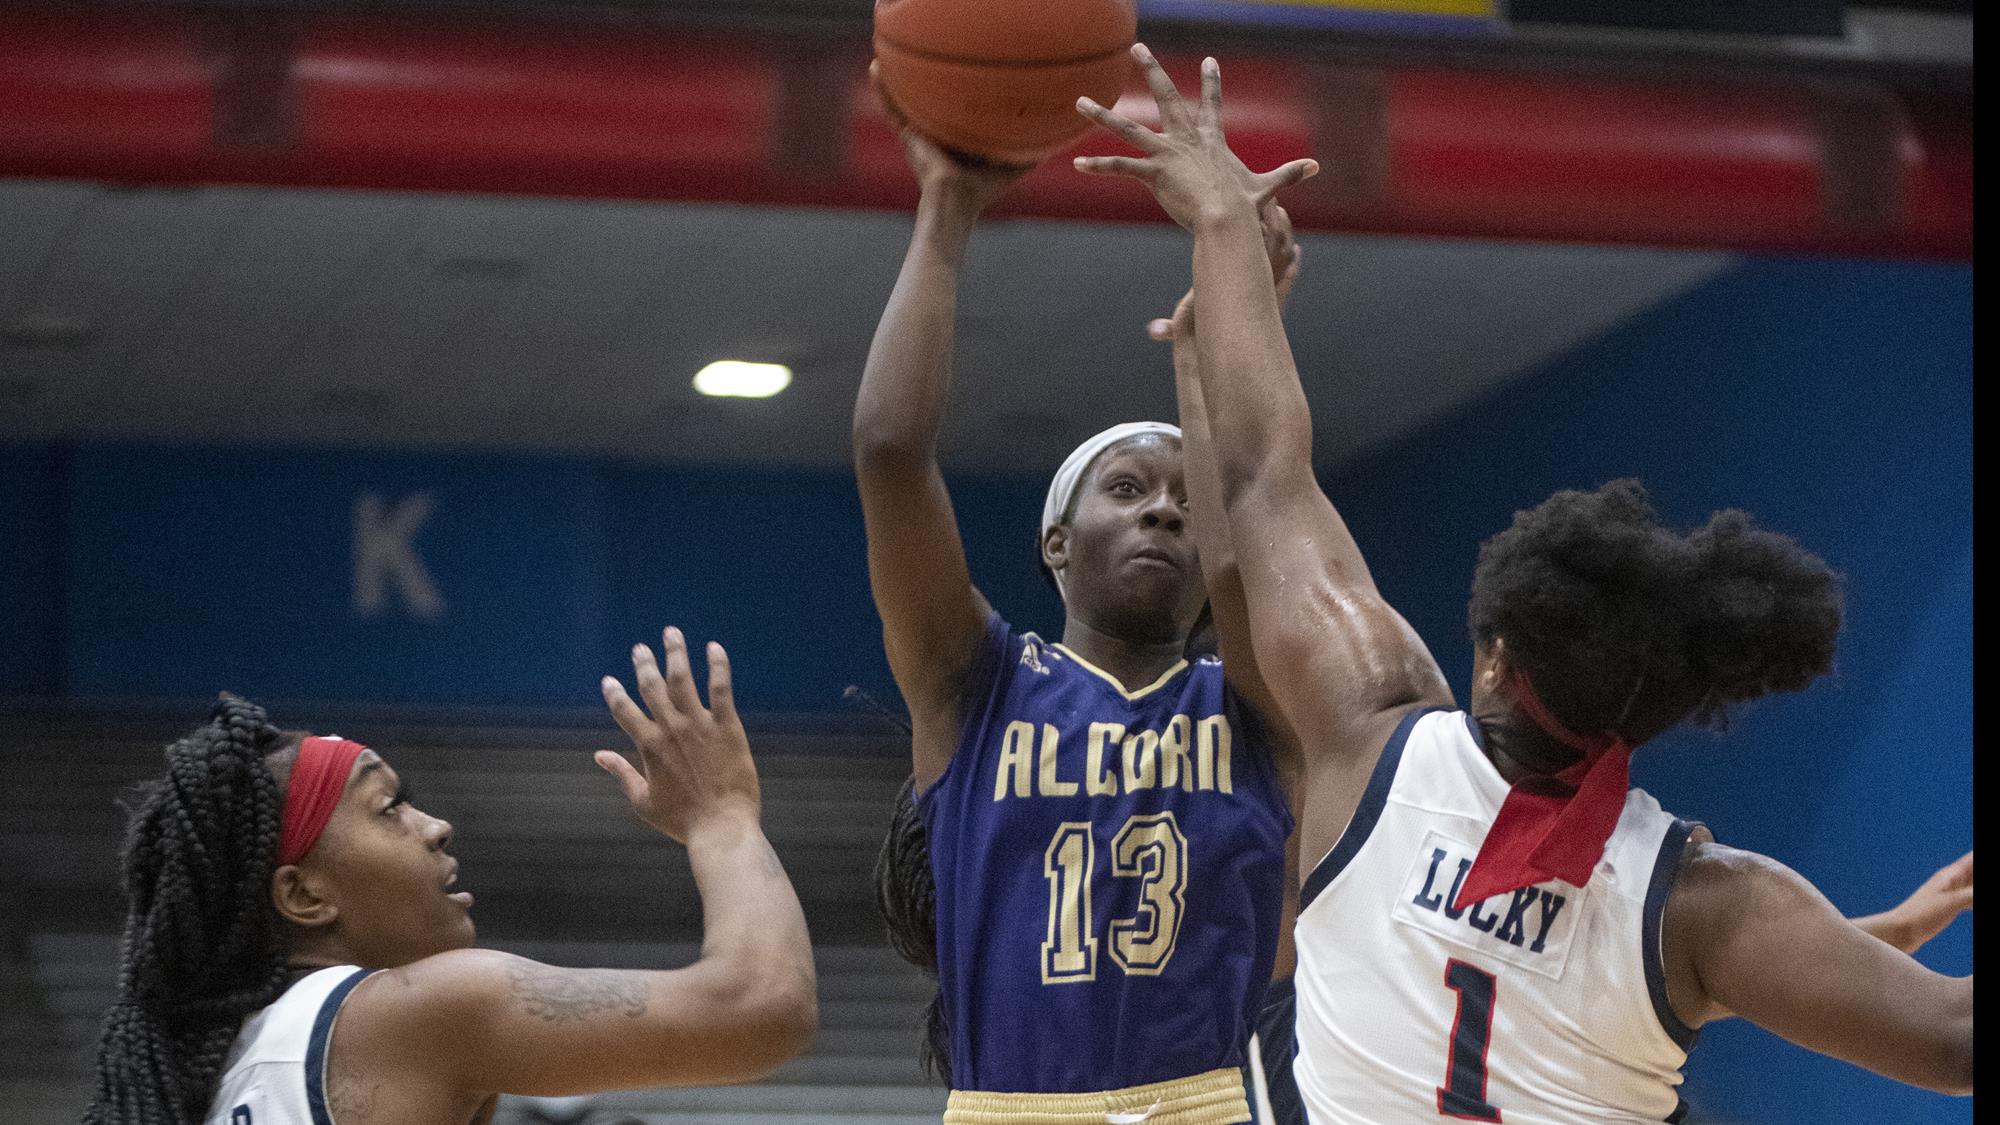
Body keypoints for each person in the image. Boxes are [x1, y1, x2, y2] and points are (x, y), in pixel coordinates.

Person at [1076, 43, 1974, 1121]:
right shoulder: (1707, 905)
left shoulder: (1367, 738)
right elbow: (1950, 1042)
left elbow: (1266, 475)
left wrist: (1222, 228)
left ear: (1495, 657)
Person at [853, 83, 1298, 1121]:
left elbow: (1249, 531)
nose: (1163, 518)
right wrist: (944, 214)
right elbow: (887, 453)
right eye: (1129, 491)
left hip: (1211, 1103)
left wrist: (1214, 332)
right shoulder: (979, 684)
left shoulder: (1252, 705)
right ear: (1055, 542)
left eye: (1181, 507)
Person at [83, 628, 816, 1125]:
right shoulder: (409, 1014)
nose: (434, 824)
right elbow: (760, 1005)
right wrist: (721, 817)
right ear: (303, 894)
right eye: (388, 806)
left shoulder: (229, 1065)